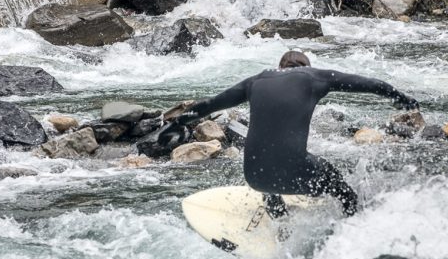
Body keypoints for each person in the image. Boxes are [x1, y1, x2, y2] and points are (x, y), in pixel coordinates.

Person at [160, 51, 419, 217]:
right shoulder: (314, 77)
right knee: (334, 180)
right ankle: (352, 219)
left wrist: (174, 124)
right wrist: (400, 97)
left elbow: (208, 105)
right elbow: (370, 84)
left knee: (269, 155)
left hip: (255, 177)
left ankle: (279, 217)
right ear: (307, 66)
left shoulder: (254, 81)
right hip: (295, 173)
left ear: (279, 67)